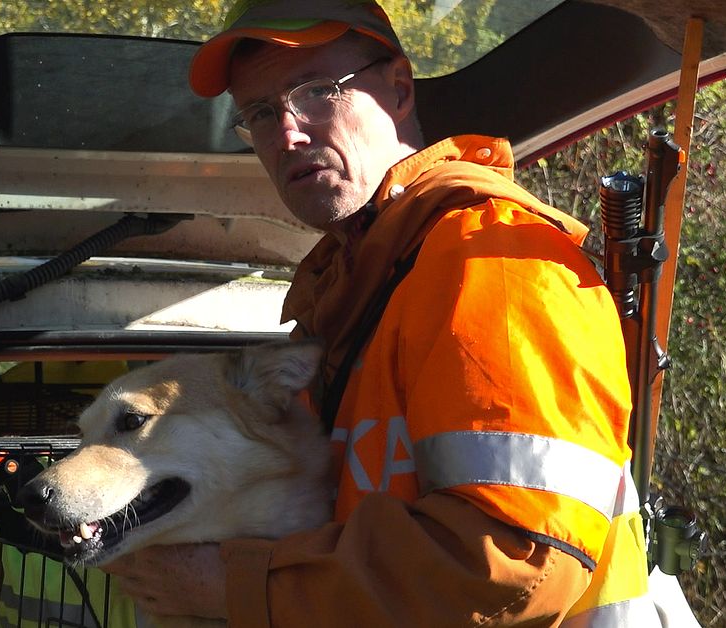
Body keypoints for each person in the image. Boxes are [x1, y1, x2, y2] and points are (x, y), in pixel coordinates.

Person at [104, 1, 658, 625]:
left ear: (398, 88)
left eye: (315, 91)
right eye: (260, 113)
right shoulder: (354, 291)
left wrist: (239, 587)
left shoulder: (494, 262)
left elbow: (516, 560)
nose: (287, 133)